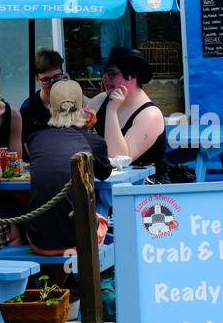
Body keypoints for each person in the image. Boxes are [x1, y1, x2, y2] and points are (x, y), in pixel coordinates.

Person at [22, 80, 112, 254]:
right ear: (83, 107)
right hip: (79, 241)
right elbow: (104, 173)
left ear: (49, 107)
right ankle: (84, 278)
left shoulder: (35, 139)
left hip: (39, 240)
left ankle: (60, 280)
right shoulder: (93, 142)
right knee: (101, 216)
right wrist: (89, 130)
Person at [88, 46, 166, 173]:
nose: (105, 78)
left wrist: (112, 110)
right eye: (104, 73)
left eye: (111, 74)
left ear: (131, 76)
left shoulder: (150, 115)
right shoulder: (100, 100)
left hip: (145, 188)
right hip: (103, 185)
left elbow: (118, 159)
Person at [18, 48, 70, 155]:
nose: (53, 83)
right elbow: (27, 146)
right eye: (46, 80)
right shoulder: (28, 108)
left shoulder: (72, 100)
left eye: (56, 77)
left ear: (63, 74)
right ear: (37, 79)